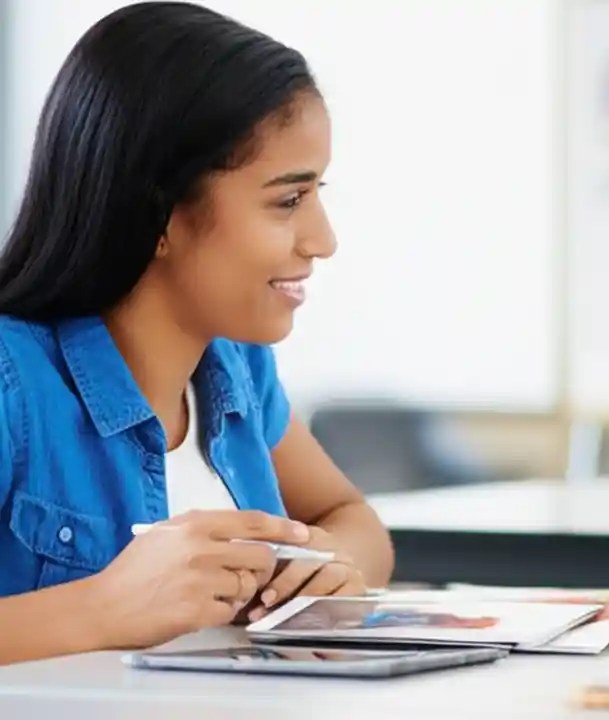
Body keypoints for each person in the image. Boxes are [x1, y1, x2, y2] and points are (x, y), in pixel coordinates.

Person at [0, 2, 393, 663]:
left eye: (317, 193)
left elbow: (353, 520)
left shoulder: (238, 369)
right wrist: (103, 609)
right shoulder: (13, 382)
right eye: (288, 200)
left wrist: (335, 566)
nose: (323, 240)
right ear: (158, 214)